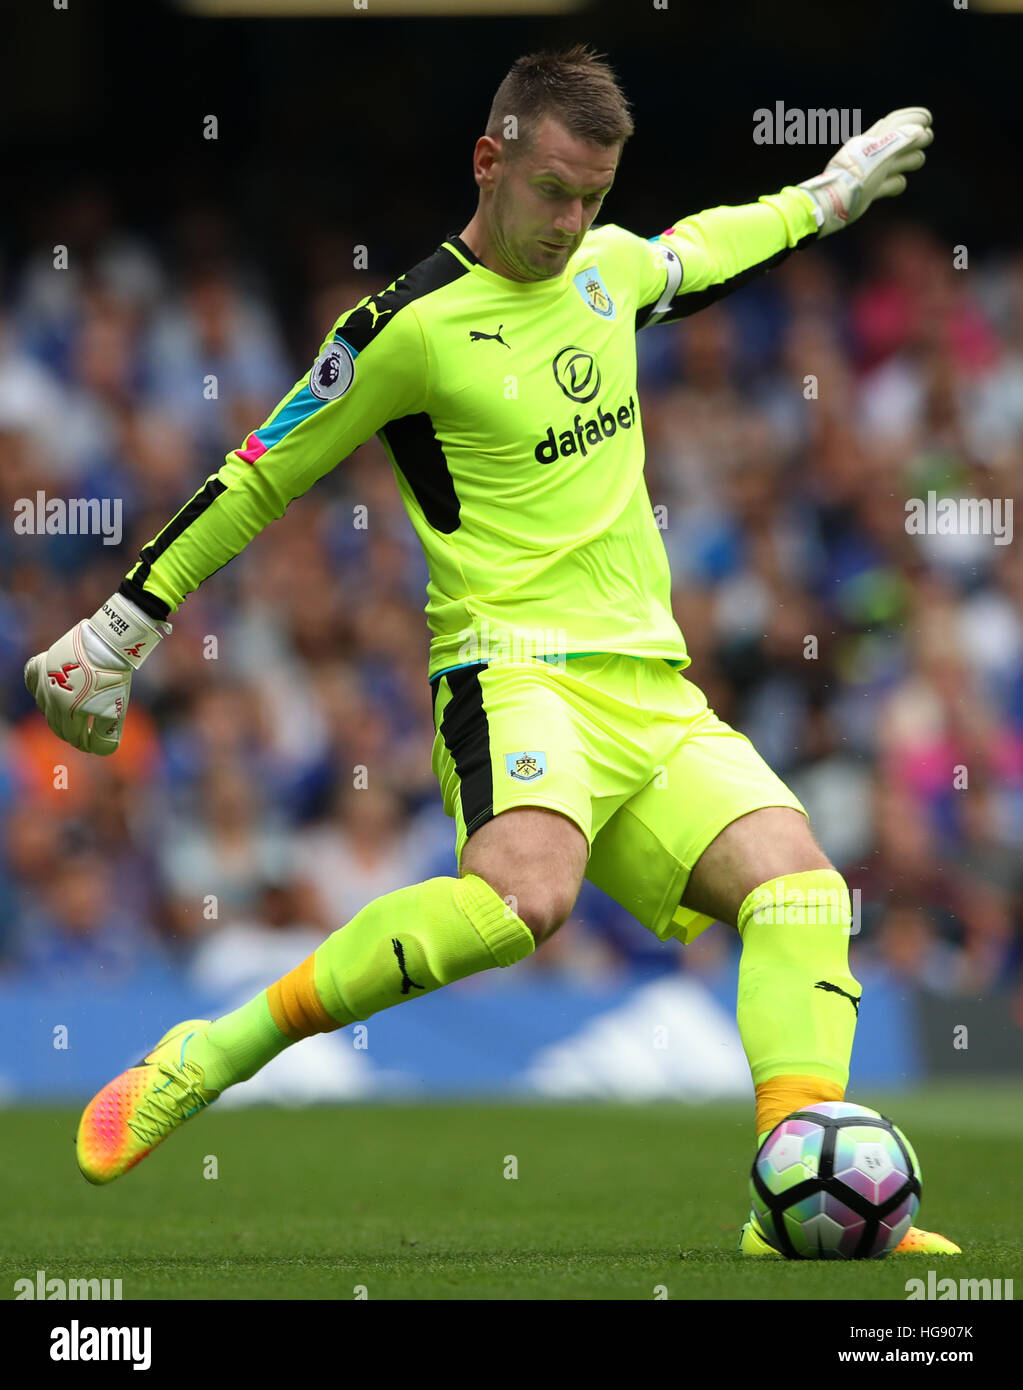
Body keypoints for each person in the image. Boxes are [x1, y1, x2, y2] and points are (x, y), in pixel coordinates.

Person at [24, 45, 956, 1256]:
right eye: (555, 189)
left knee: (802, 892)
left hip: (649, 688)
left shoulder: (609, 272)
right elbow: (261, 472)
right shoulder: (405, 329)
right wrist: (124, 621)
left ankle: (788, 1201)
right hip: (507, 669)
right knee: (527, 897)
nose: (574, 222)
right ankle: (208, 1054)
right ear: (491, 158)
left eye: (595, 196)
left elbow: (710, 245)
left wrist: (826, 195)